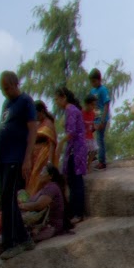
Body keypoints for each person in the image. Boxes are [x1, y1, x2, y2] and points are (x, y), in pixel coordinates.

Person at [0, 71, 38, 260]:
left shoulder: (25, 101)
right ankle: (24, 238)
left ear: (15, 84)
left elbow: (33, 130)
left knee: (9, 198)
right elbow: (2, 130)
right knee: (5, 199)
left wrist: (27, 158)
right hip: (3, 158)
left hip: (16, 158)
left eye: (7, 88)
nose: (5, 92)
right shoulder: (7, 104)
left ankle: (12, 242)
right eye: (2, 89)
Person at [55, 87, 88, 223]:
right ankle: (75, 212)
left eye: (57, 99)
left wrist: (61, 143)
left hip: (76, 149)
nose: (56, 102)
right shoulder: (72, 110)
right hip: (75, 148)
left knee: (76, 181)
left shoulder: (71, 110)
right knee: (73, 180)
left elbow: (72, 131)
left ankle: (78, 213)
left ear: (63, 97)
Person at [21, 164, 69, 241]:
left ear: (50, 176)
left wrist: (20, 206)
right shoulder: (46, 187)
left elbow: (39, 205)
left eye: (43, 172)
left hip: (51, 226)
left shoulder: (52, 188)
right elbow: (31, 201)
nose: (40, 174)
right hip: (42, 224)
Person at [26, 101, 58, 196]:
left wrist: (49, 161)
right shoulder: (37, 124)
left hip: (43, 155)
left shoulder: (48, 124)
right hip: (34, 156)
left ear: (41, 111)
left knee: (41, 179)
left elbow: (52, 143)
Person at [88, 68, 111, 169]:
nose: (93, 83)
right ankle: (92, 155)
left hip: (101, 118)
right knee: (87, 134)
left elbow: (106, 105)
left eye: (94, 81)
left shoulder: (103, 90)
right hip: (94, 118)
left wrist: (102, 119)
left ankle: (102, 161)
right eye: (91, 82)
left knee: (100, 139)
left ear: (99, 80)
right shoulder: (92, 91)